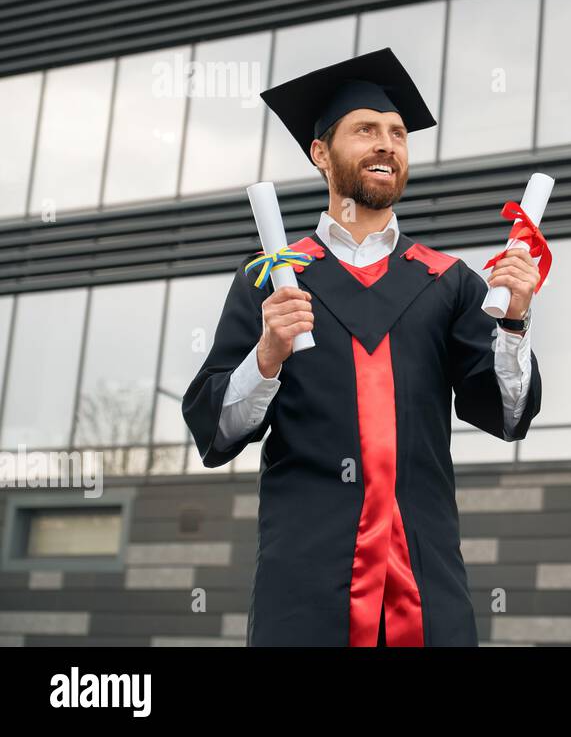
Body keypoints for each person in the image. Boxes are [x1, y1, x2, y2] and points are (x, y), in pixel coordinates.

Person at [182, 47, 543, 646]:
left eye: (398, 132)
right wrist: (268, 353)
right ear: (320, 152)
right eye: (366, 130)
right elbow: (216, 433)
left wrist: (515, 323)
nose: (387, 143)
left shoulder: (447, 280)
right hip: (305, 585)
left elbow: (507, 415)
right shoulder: (272, 278)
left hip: (425, 582)